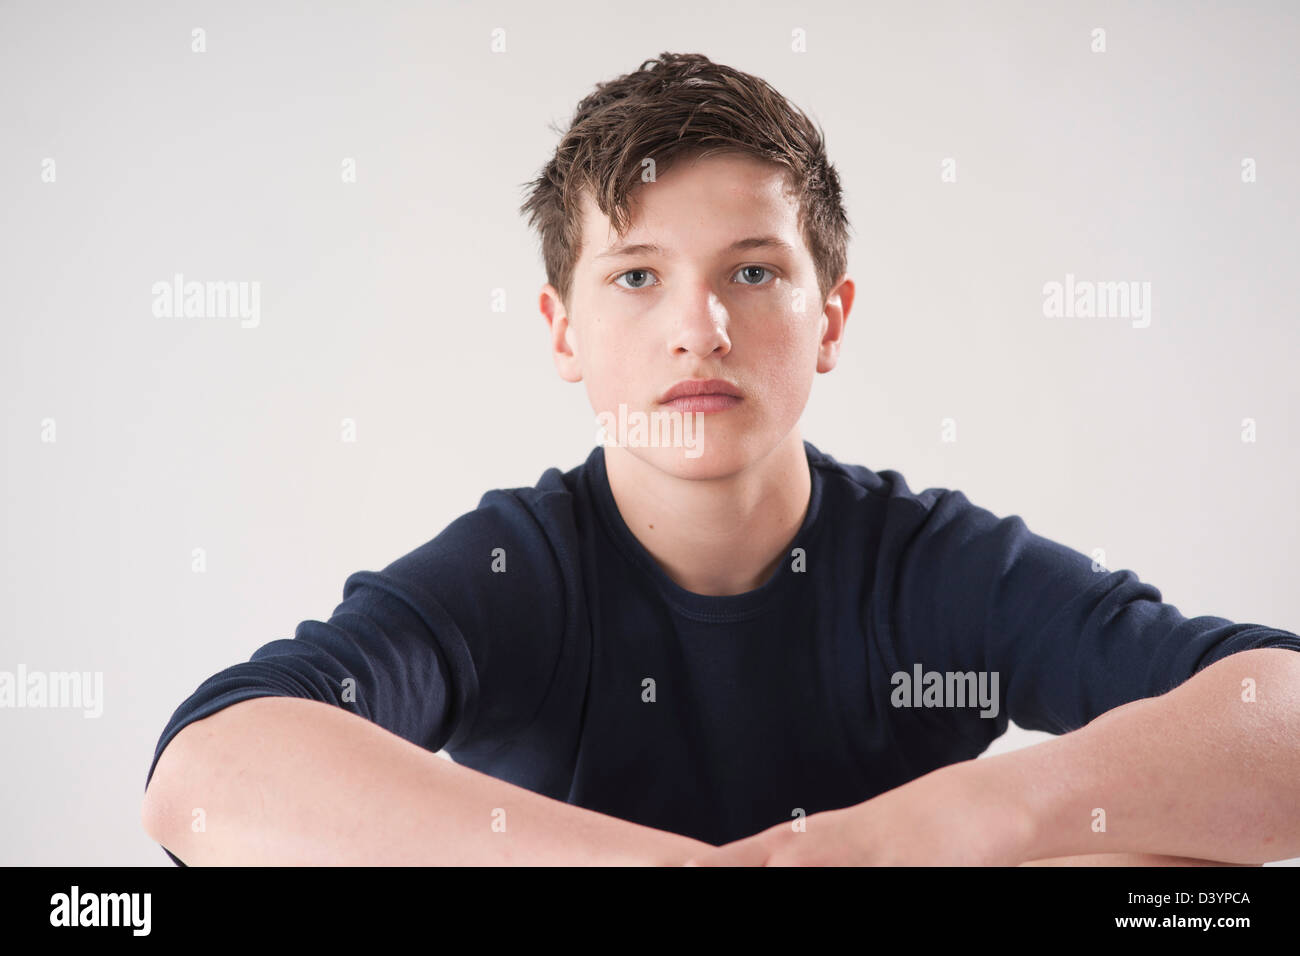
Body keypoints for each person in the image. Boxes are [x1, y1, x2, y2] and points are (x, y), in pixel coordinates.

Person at [140, 52, 1300, 867]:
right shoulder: (516, 570)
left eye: (752, 270)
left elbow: (1279, 707)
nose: (699, 326)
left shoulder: (929, 565)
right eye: (637, 276)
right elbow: (206, 773)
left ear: (830, 317)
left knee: (1176, 877)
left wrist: (941, 828)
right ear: (564, 330)